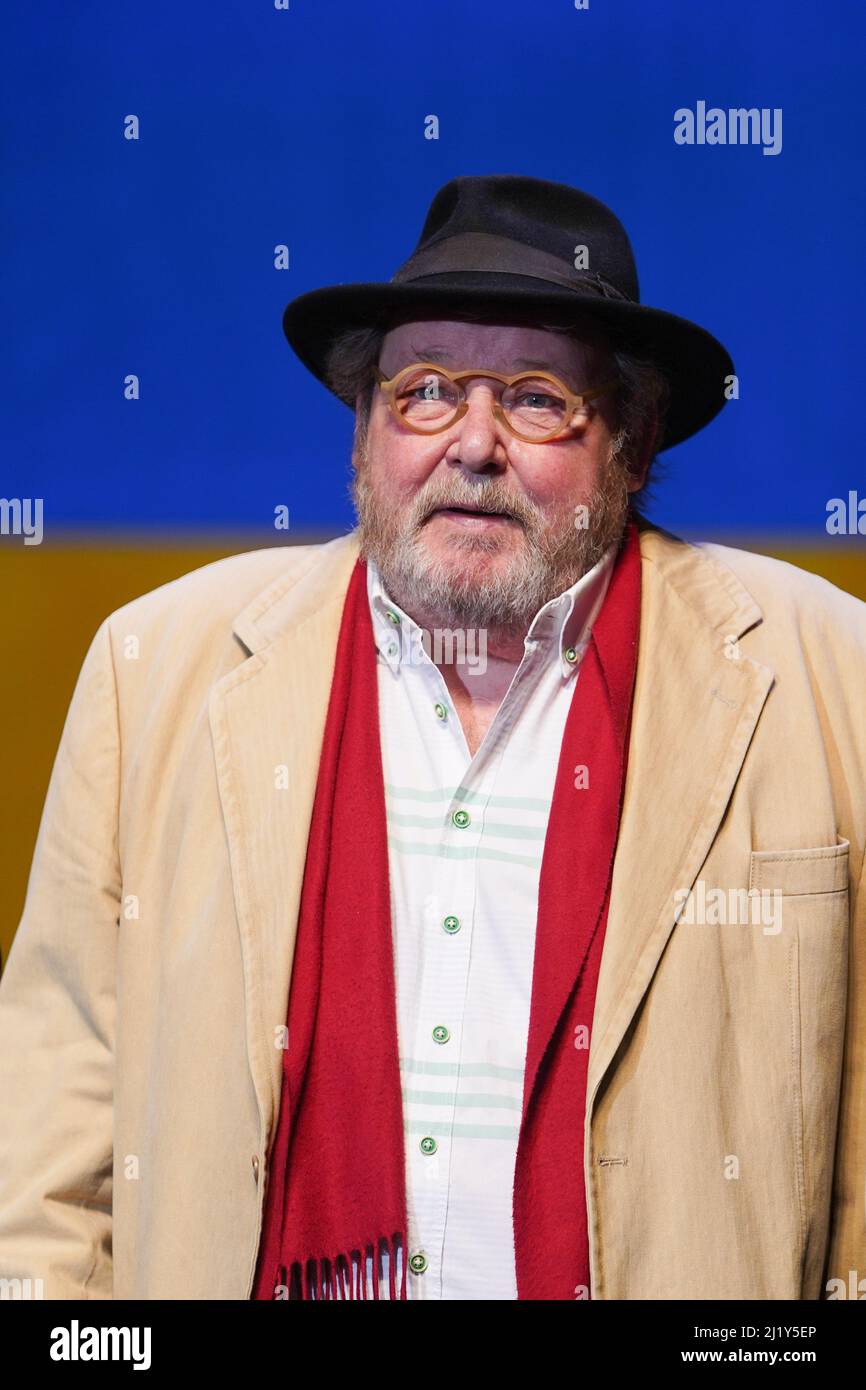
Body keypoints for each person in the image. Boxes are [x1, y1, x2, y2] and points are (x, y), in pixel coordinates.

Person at [0, 174, 863, 1301]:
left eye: (536, 397)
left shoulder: (830, 676)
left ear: (631, 443)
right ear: (361, 436)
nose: (472, 444)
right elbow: (49, 1162)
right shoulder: (150, 668)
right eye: (423, 392)